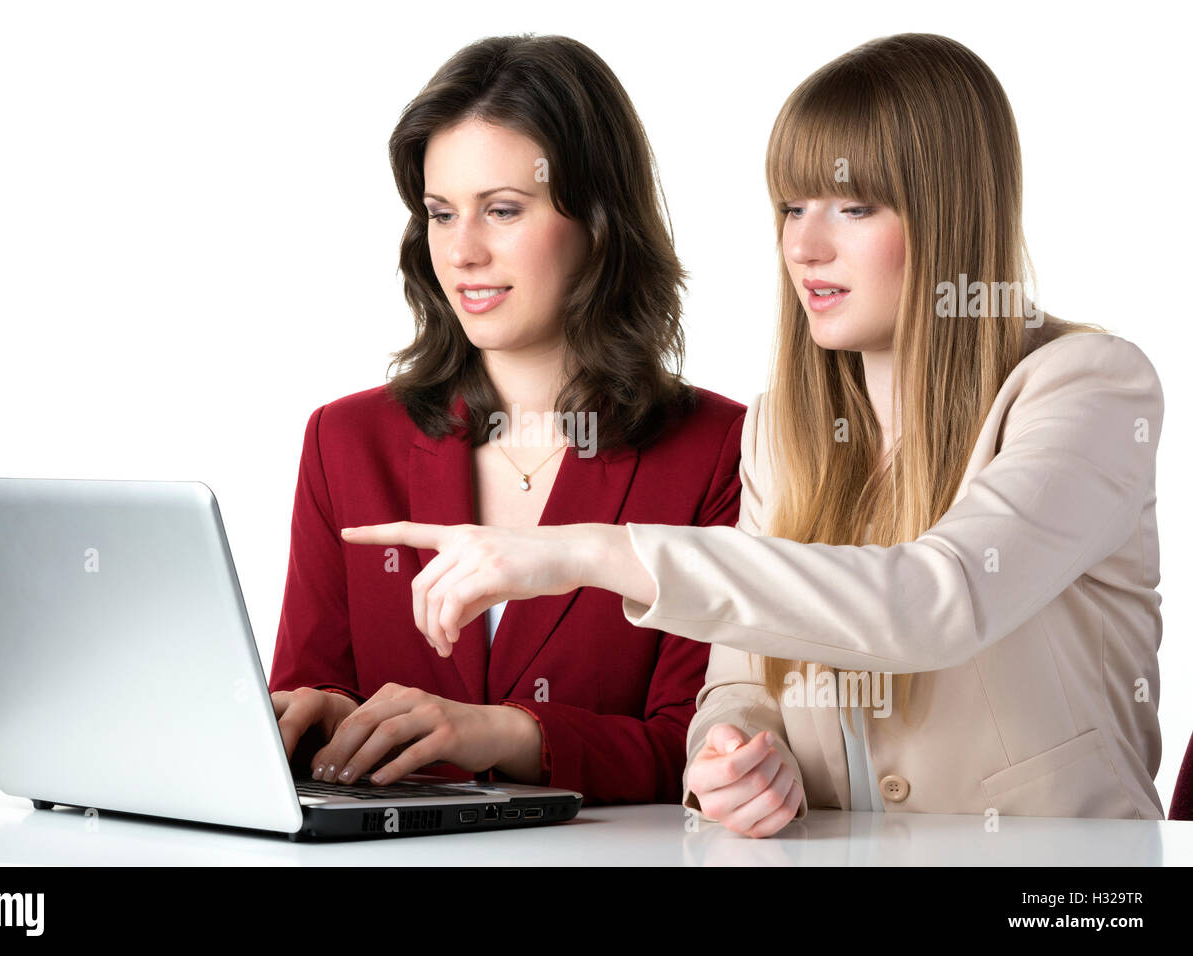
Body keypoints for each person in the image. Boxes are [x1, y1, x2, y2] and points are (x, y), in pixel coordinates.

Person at [342, 33, 1165, 834]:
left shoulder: (1085, 387)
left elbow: (938, 599)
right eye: (790, 207)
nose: (803, 246)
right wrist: (732, 754)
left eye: (854, 207)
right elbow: (735, 682)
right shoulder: (783, 424)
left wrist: (587, 551)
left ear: (951, 215)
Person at [268, 34, 747, 805]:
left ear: (598, 220)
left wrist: (506, 732)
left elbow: (699, 744)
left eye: (501, 210)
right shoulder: (345, 442)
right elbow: (308, 686)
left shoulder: (715, 450)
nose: (460, 252)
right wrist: (318, 714)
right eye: (440, 214)